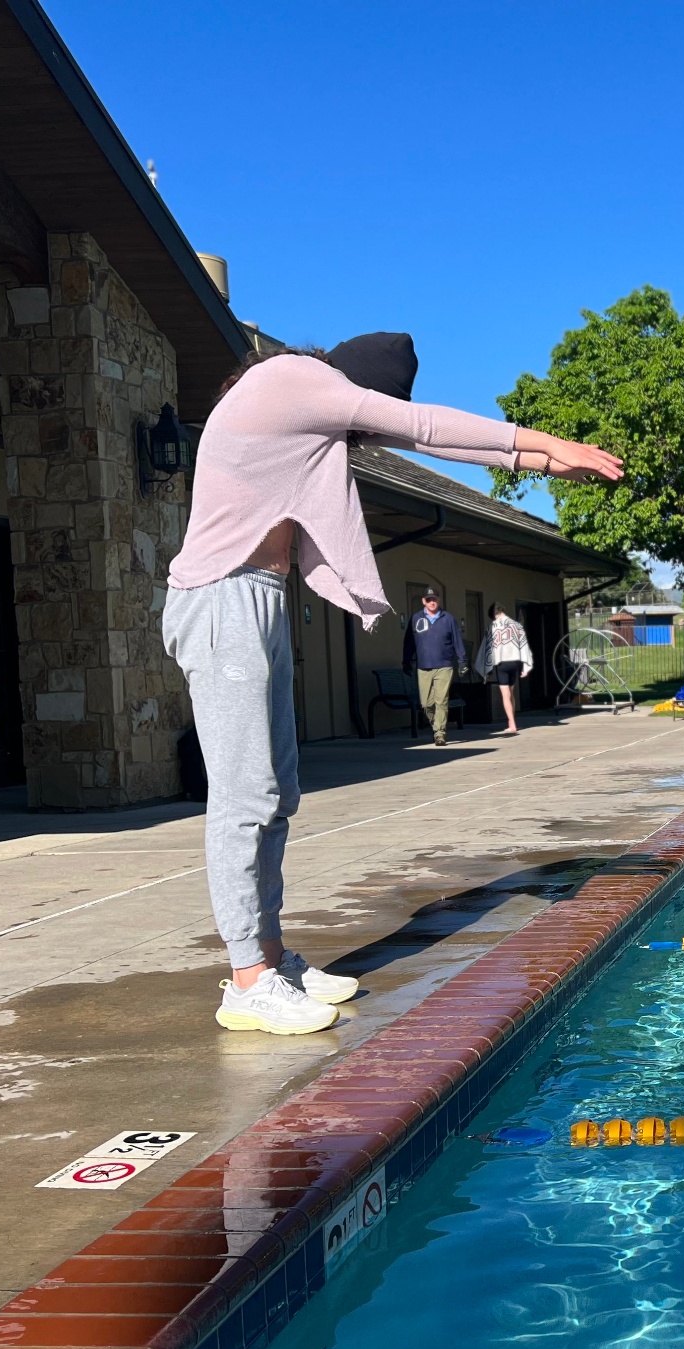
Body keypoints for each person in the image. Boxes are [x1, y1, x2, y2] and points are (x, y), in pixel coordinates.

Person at [163, 333, 621, 1035]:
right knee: (244, 795)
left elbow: (434, 444)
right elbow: (427, 427)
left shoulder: (305, 403)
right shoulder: (293, 379)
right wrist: (547, 442)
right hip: (223, 600)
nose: (366, 431)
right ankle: (246, 980)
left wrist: (539, 463)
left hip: (258, 597)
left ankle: (272, 956)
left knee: (276, 790)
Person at [402, 586, 466, 744]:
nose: (432, 602)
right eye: (428, 599)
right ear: (424, 601)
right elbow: (409, 642)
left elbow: (457, 641)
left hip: (444, 665)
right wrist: (406, 661)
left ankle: (439, 733)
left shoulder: (448, 618)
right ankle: (436, 725)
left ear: (439, 600)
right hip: (423, 667)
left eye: (434, 599)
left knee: (441, 700)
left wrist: (462, 661)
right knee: (426, 703)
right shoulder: (416, 619)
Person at [474, 602, 533, 734]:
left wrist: (486, 669)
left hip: (501, 663)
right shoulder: (516, 625)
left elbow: (487, 648)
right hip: (515, 662)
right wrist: (525, 666)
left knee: (505, 695)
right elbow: (523, 645)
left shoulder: (492, 627)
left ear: (493, 615)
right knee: (511, 693)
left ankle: (511, 724)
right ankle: (513, 720)